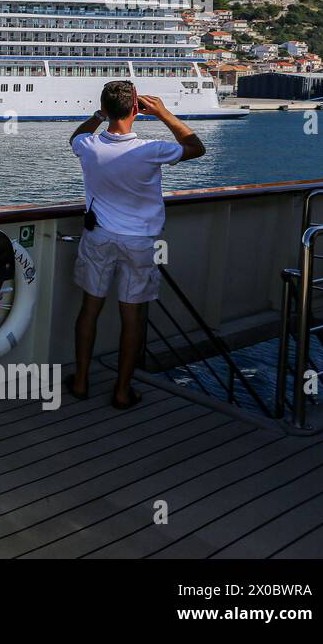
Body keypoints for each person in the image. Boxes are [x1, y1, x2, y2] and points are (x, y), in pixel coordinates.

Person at [66, 81, 206, 408]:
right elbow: (196, 147)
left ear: (105, 108)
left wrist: (99, 116)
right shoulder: (150, 150)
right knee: (132, 317)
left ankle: (82, 382)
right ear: (135, 110)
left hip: (98, 237)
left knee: (90, 309)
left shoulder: (89, 145)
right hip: (139, 242)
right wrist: (164, 113)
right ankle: (122, 390)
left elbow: (74, 137)